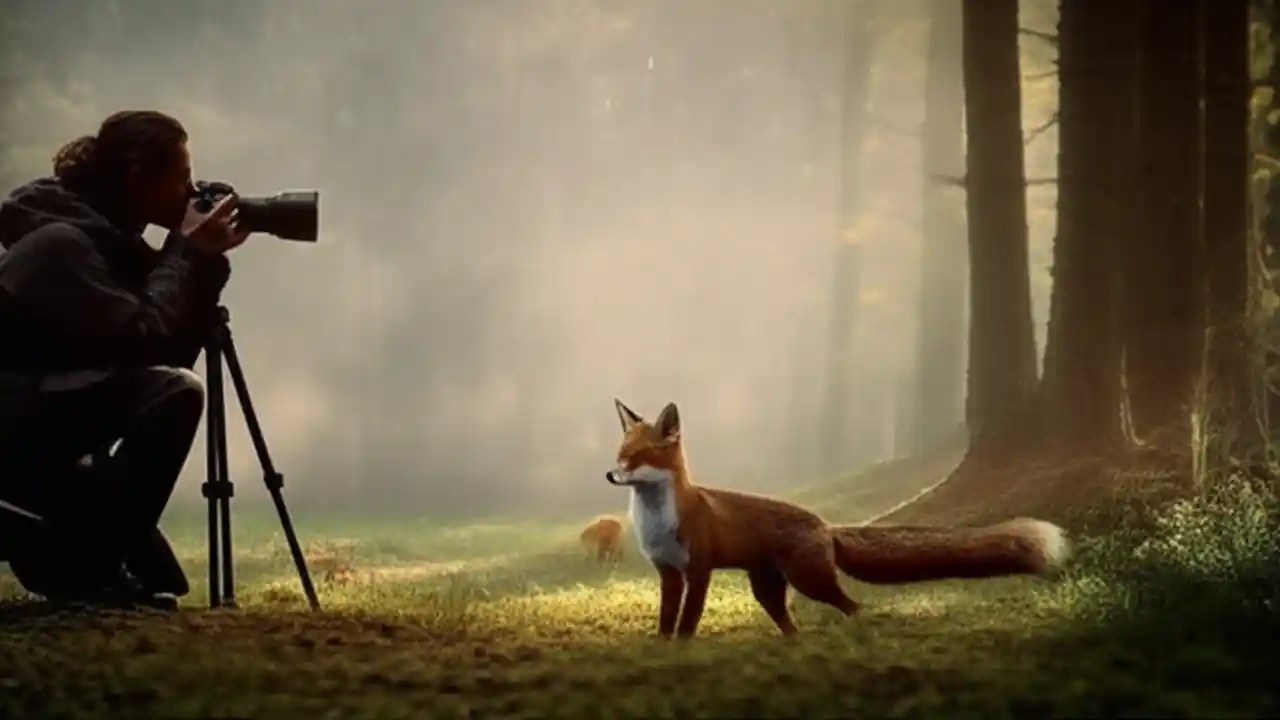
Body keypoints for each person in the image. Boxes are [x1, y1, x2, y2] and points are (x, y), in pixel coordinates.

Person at [0, 110, 249, 609]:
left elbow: (165, 355)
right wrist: (185, 249)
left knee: (172, 389)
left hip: (43, 421)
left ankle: (86, 564)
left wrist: (201, 263)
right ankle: (84, 571)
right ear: (138, 180)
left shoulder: (106, 243)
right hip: (17, 434)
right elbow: (147, 343)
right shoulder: (63, 245)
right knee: (177, 394)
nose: (190, 192)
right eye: (182, 178)